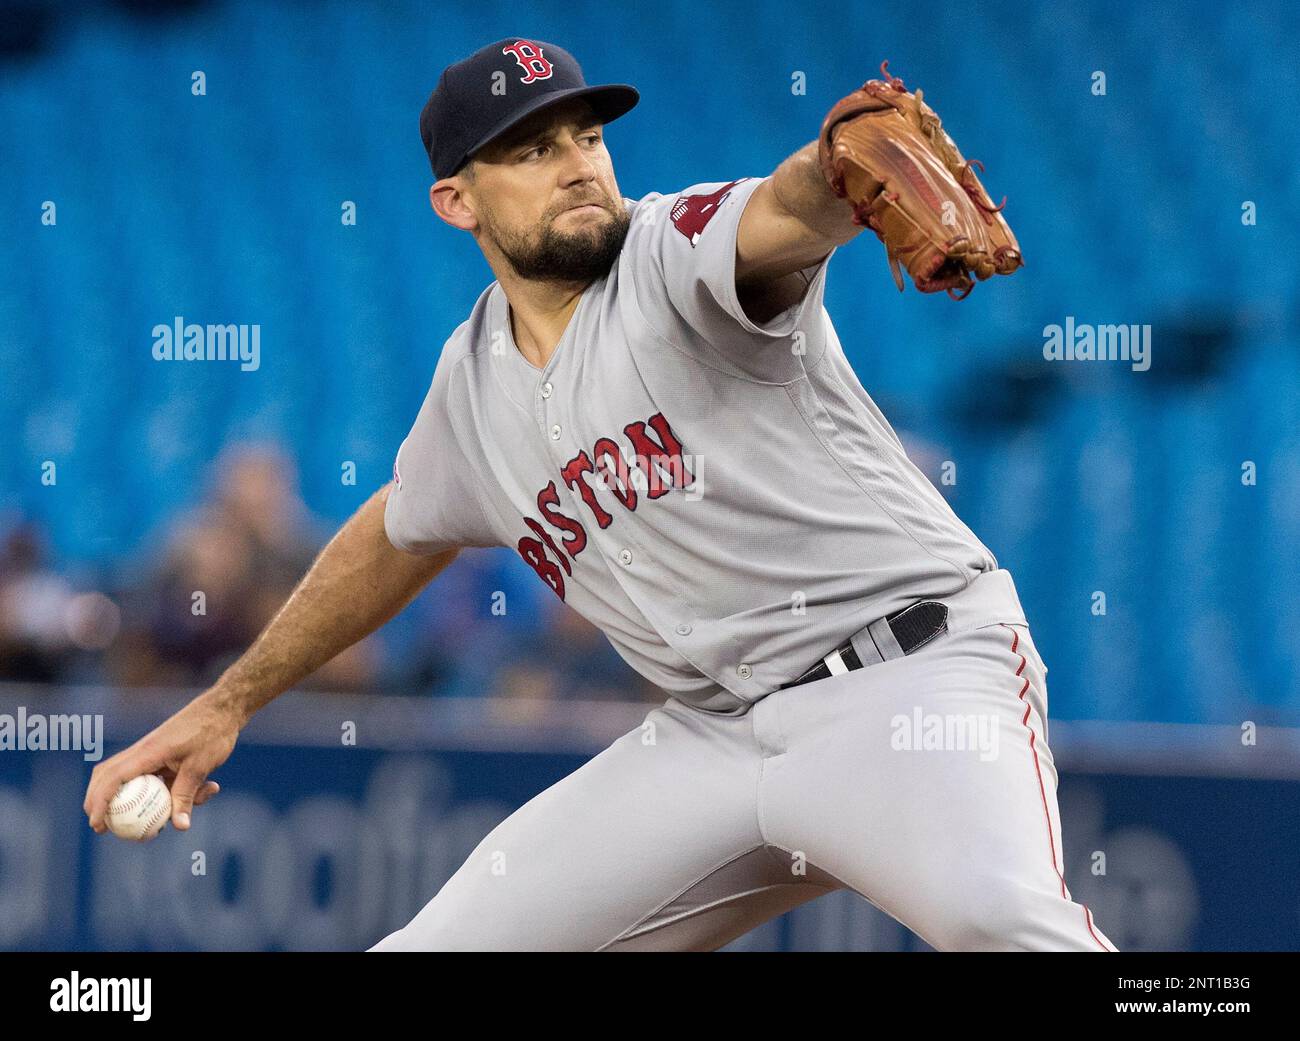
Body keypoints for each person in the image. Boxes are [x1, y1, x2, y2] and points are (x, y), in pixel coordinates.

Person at [84, 37, 1115, 952]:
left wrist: (828, 174)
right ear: (457, 200)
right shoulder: (472, 383)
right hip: (714, 735)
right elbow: (399, 533)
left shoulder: (672, 254)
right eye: (532, 151)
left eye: (586, 137)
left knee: (999, 925)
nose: (577, 164)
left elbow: (780, 212)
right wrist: (227, 704)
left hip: (907, 680)